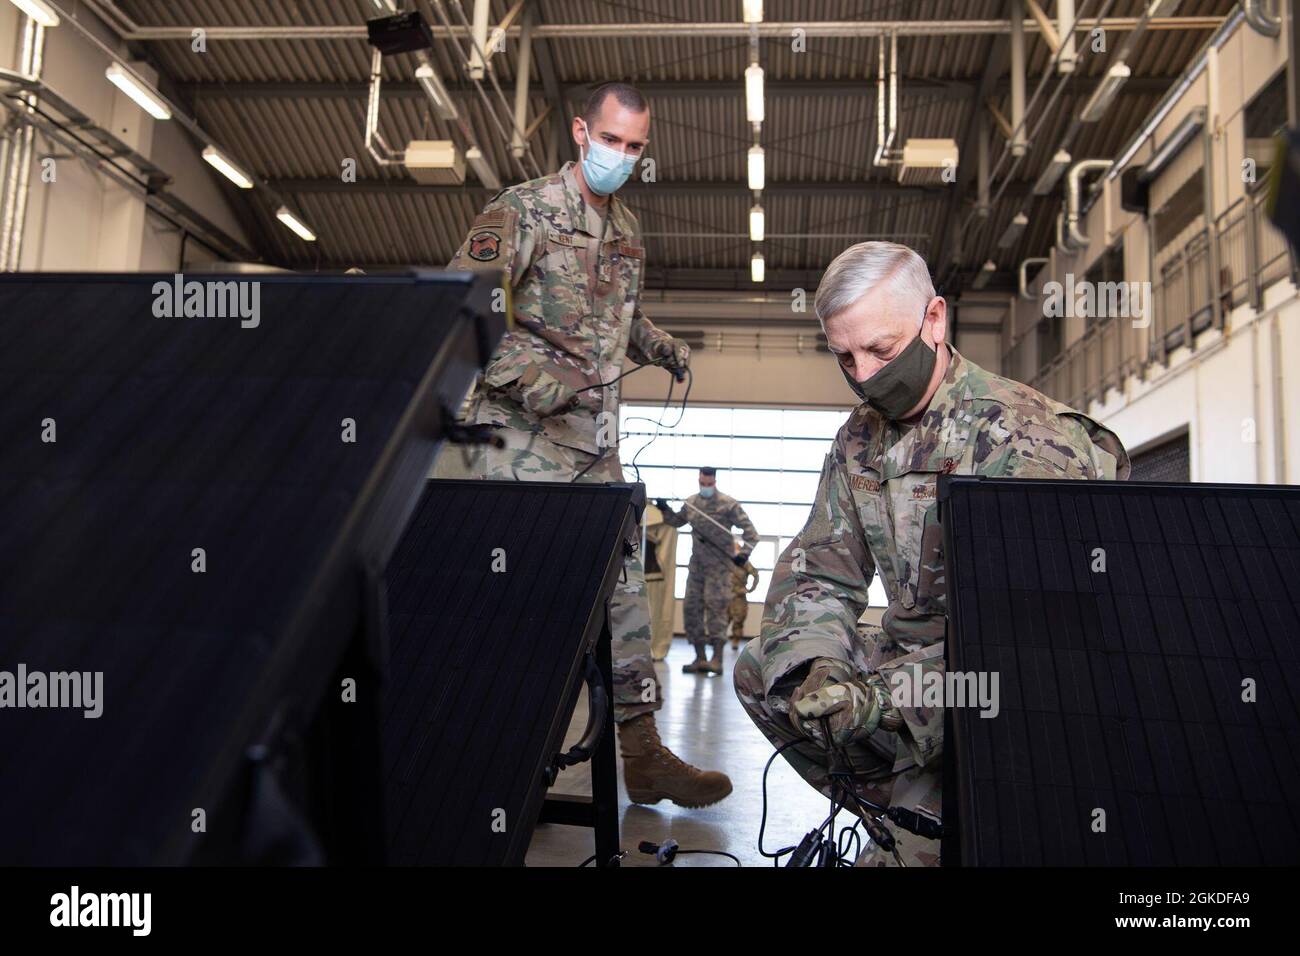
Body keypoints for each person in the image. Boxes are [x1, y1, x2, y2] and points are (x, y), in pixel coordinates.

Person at [733, 242, 1130, 864]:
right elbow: (820, 572)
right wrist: (821, 667)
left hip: (1014, 686)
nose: (863, 374)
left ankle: (930, 821)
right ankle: (910, 814)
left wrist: (883, 699)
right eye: (845, 355)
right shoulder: (858, 441)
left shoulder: (1026, 439)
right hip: (916, 672)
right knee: (765, 672)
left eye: (882, 351)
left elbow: (1038, 640)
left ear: (934, 320)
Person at [445, 82, 731, 809]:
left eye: (636, 147)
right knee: (522, 599)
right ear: (581, 131)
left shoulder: (629, 226)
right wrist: (535, 382)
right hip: (520, 435)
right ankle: (499, 756)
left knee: (625, 588)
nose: (623, 157)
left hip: (595, 441)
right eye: (612, 141)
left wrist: (656, 342)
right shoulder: (522, 208)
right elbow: (462, 305)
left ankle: (641, 751)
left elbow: (614, 314)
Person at [655, 467, 758, 675]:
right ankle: (699, 658)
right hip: (696, 567)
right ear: (699, 480)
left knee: (716, 611)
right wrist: (664, 509)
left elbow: (751, 534)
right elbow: (676, 522)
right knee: (691, 609)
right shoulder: (691, 503)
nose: (706, 487)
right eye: (703, 483)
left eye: (710, 484)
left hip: (719, 567)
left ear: (715, 482)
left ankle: (717, 660)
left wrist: (743, 554)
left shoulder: (728, 504)